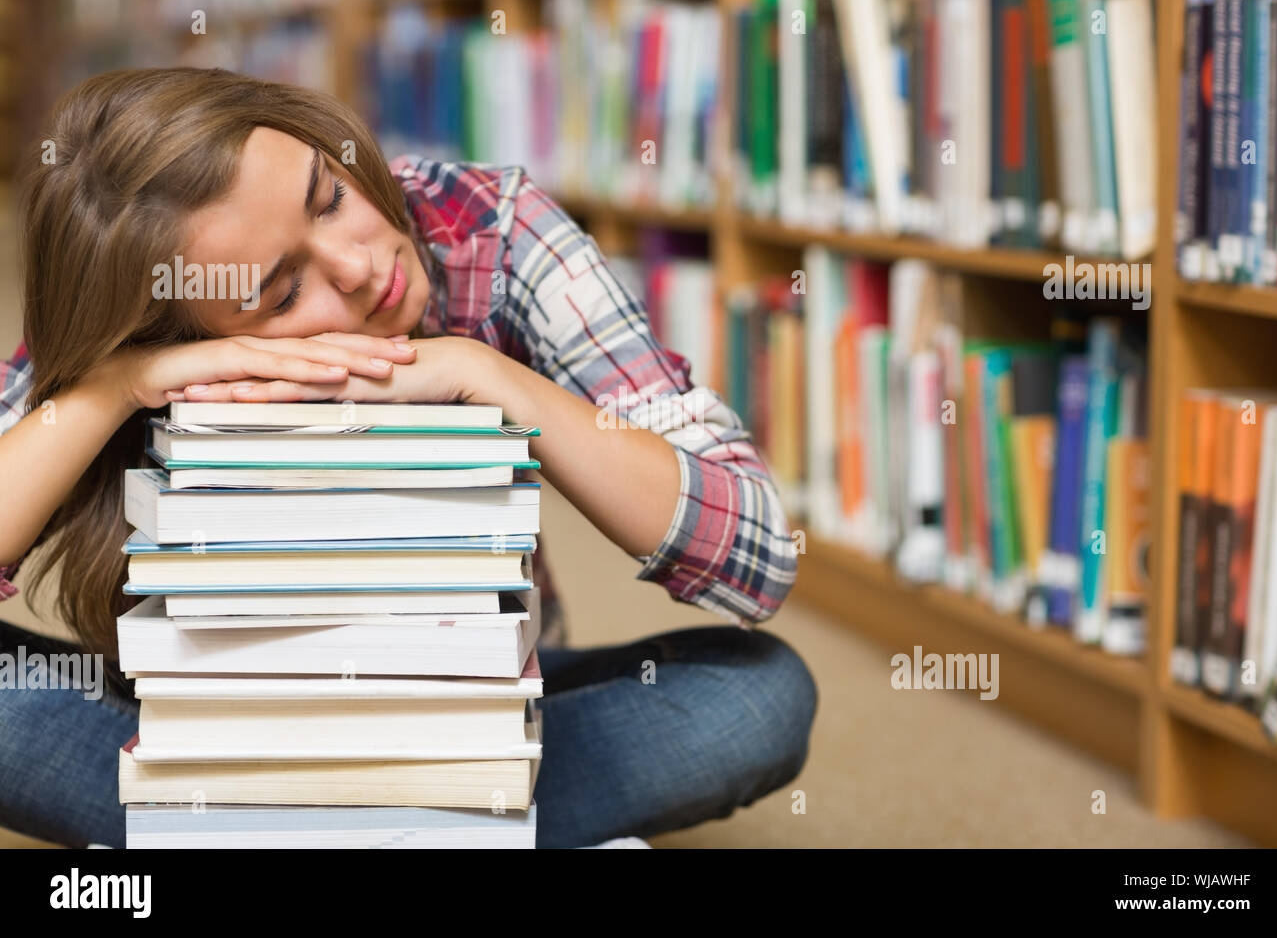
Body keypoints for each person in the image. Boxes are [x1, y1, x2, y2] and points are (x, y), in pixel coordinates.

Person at [0, 67, 816, 848]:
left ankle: (240, 835)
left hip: (464, 708)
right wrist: (115, 389)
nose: (362, 269)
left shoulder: (492, 227)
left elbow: (758, 550)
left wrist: (486, 376)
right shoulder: (131, 297)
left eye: (331, 197)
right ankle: (434, 835)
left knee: (759, 697)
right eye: (281, 295)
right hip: (218, 725)